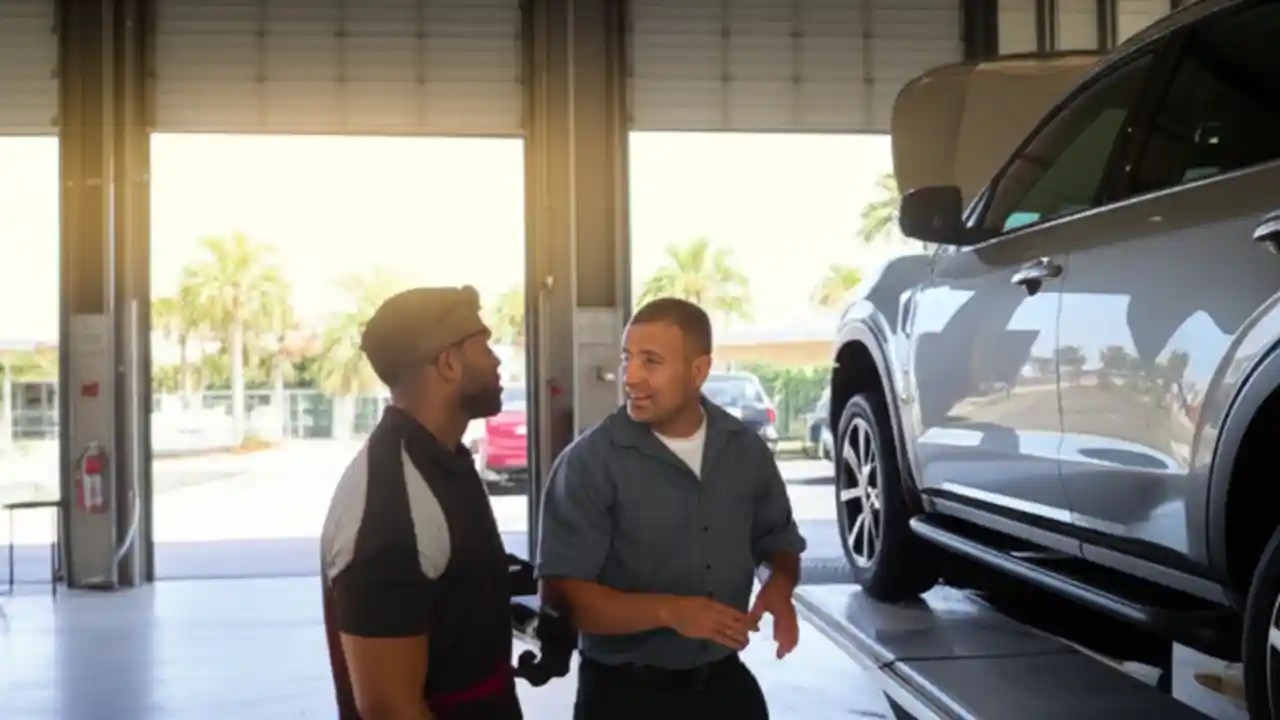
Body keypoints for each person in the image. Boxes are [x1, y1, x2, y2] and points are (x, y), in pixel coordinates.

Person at [536, 297, 808, 720]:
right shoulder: (590, 463)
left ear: (698, 371)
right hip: (623, 697)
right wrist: (672, 611)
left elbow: (777, 542)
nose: (632, 377)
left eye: (651, 361)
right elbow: (564, 597)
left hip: (724, 687)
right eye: (628, 359)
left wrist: (780, 585)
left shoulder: (745, 452)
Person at [319, 285, 523, 720]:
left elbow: (449, 596)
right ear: (449, 363)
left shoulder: (444, 460)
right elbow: (391, 709)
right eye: (483, 345)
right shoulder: (390, 507)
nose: (497, 359)